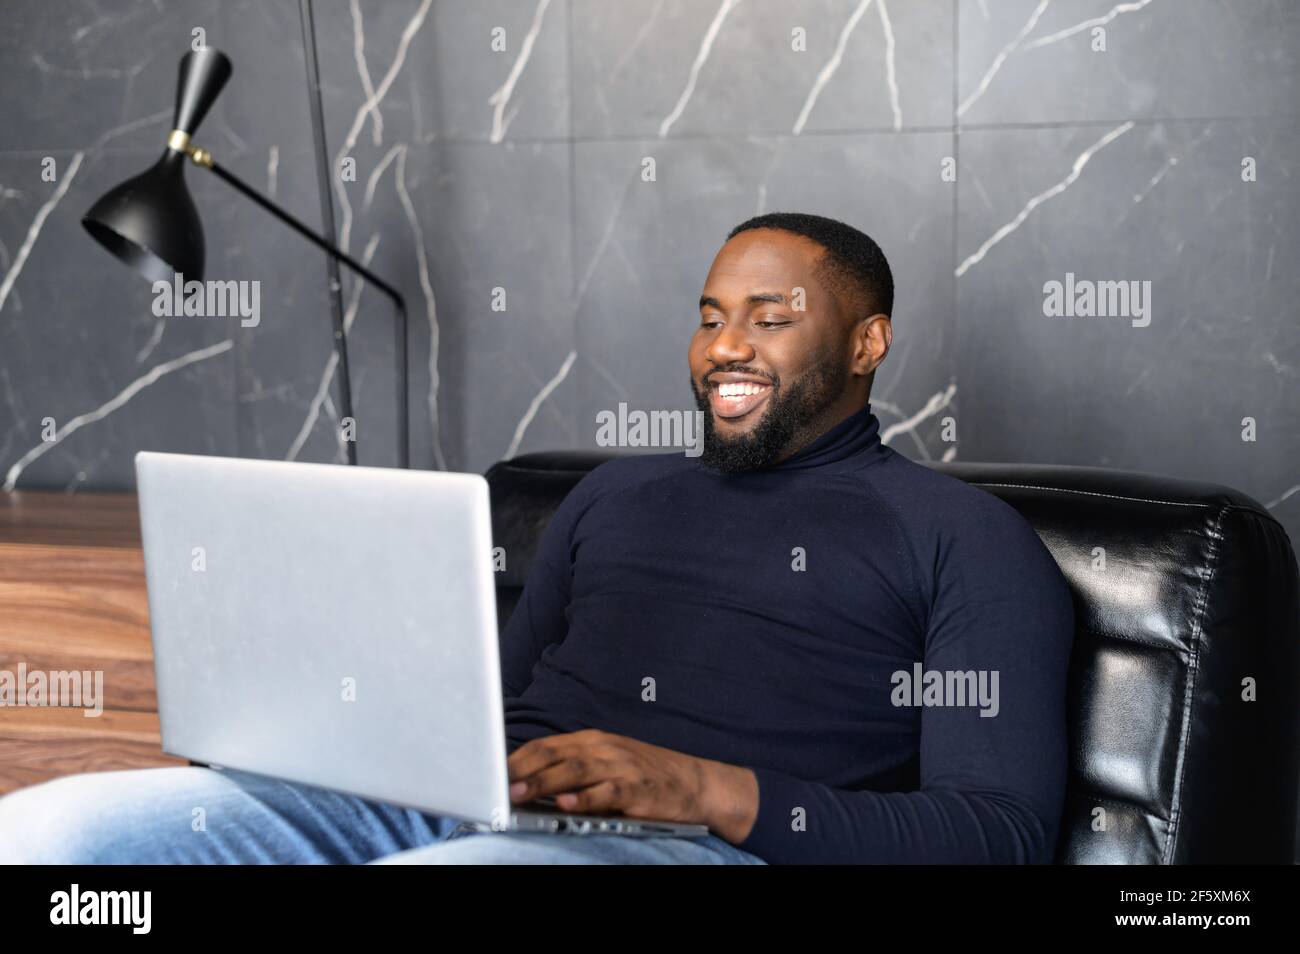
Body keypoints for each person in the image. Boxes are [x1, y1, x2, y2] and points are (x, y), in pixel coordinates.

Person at [0, 212, 1074, 865]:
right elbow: (488, 720)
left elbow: (996, 835)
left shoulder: (962, 540)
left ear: (868, 341)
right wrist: (324, 729)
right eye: (708, 315)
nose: (724, 346)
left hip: (699, 847)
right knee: (53, 836)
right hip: (465, 813)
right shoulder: (612, 496)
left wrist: (704, 789)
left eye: (770, 316)